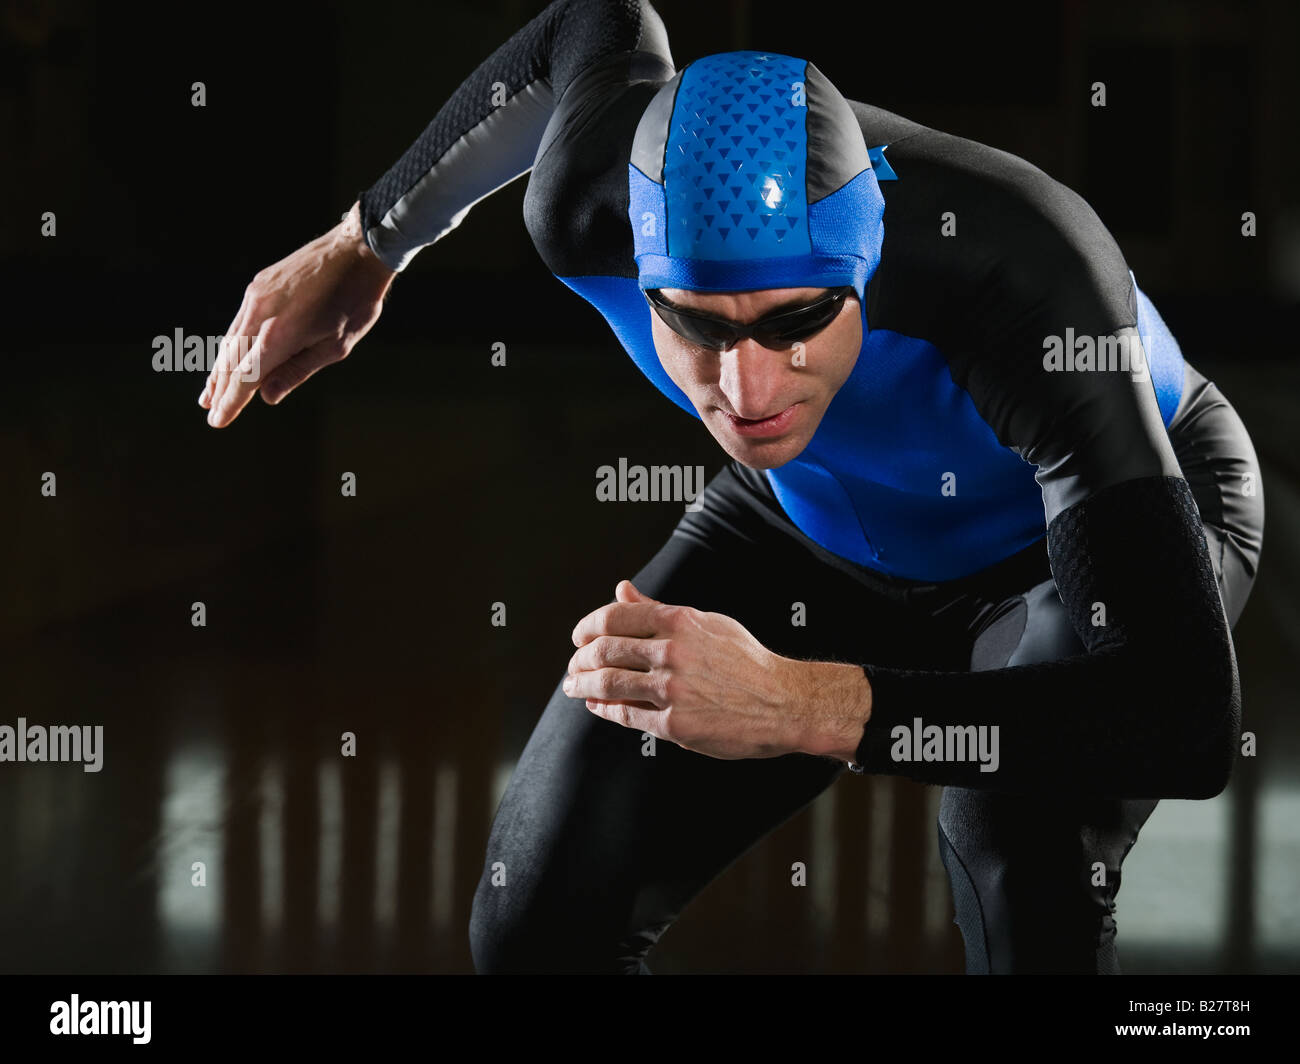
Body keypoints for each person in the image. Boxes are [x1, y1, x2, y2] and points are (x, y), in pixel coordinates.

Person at [198, 0, 1265, 974]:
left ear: (866, 265)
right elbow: (591, 23)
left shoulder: (1024, 273)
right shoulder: (586, 203)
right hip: (816, 512)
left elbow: (1178, 715)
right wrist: (369, 239)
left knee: (1012, 835)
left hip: (1081, 524)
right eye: (696, 326)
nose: (744, 390)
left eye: (796, 322)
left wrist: (804, 701)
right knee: (536, 921)